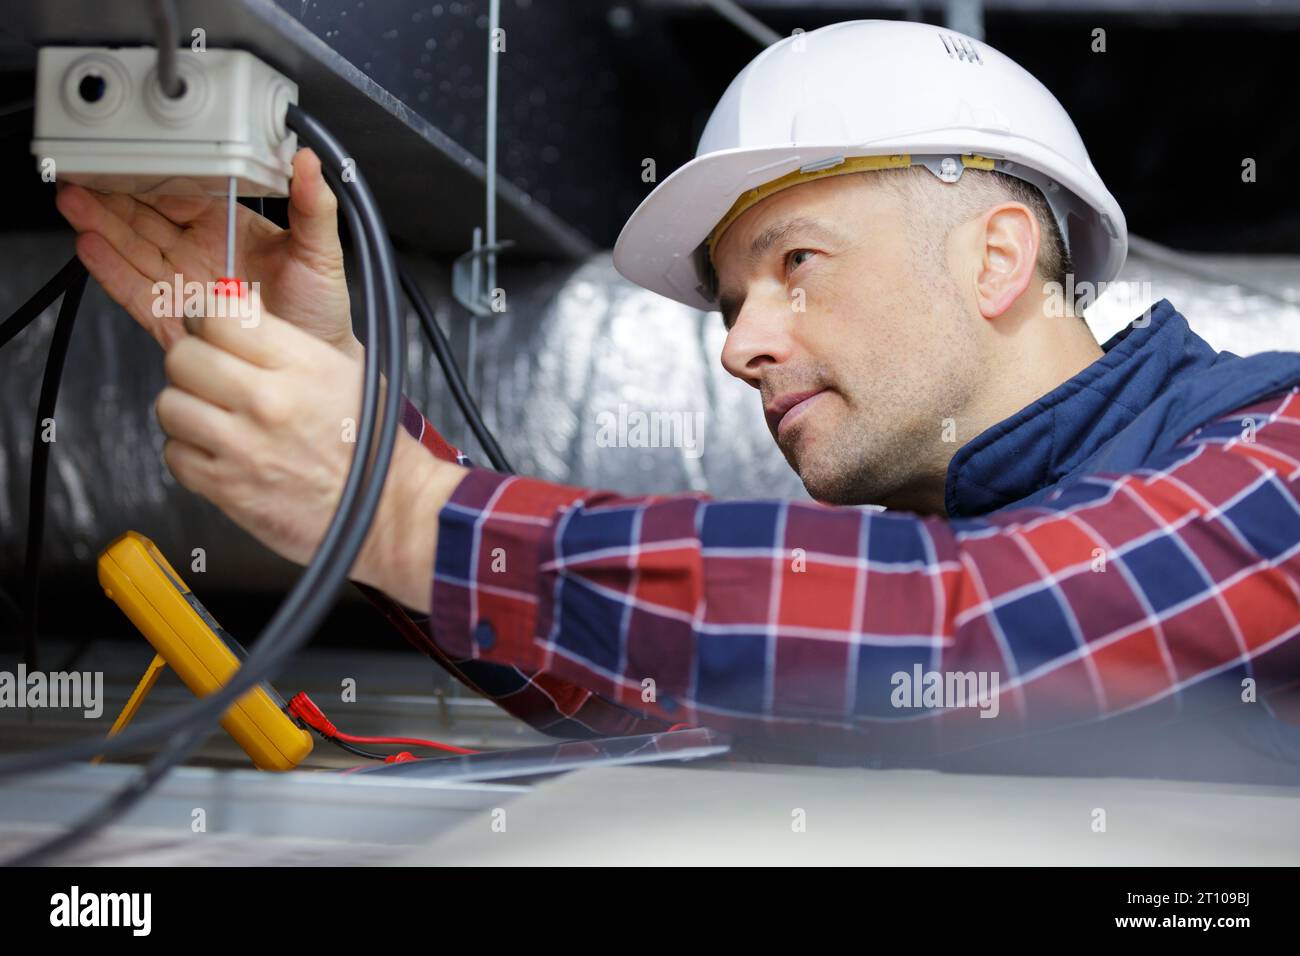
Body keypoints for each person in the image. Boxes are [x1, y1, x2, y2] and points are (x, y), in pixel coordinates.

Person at [54, 21, 1300, 781]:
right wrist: (350, 427)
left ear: (995, 255)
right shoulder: (943, 537)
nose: (740, 345)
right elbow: (659, 691)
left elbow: (969, 630)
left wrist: (405, 510)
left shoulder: (1276, 451)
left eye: (795, 264)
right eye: (727, 301)